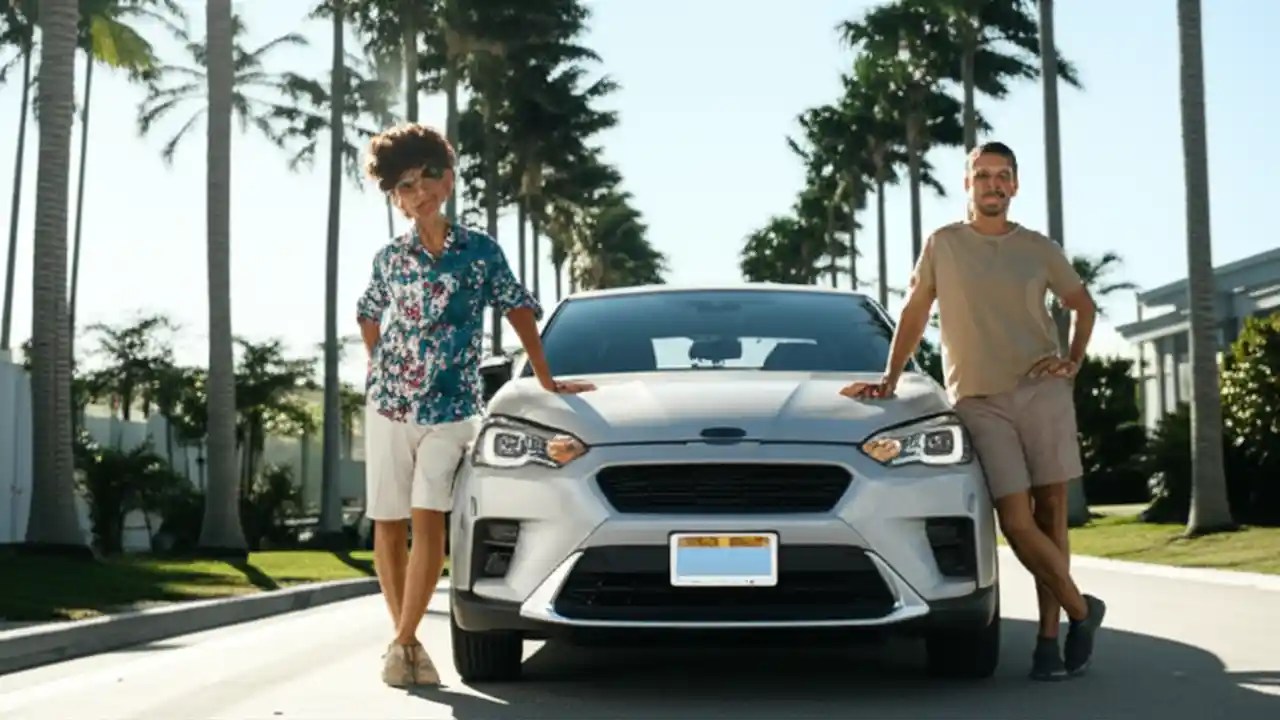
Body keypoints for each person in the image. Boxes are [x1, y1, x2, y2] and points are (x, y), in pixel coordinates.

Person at [840, 141, 1106, 681]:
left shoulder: (1039, 248)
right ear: (968, 185)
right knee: (1014, 520)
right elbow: (915, 312)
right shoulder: (943, 244)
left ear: (1015, 185)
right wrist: (890, 378)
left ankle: (1048, 643)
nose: (992, 185)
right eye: (982, 175)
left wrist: (1071, 362)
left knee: (1051, 513)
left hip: (1041, 391)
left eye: (1002, 176)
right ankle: (1083, 610)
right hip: (979, 401)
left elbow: (1082, 306)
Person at [355, 123, 595, 687]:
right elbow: (367, 311)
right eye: (406, 187)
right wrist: (377, 361)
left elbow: (518, 309)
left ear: (449, 174)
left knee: (429, 513)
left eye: (428, 177)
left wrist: (546, 376)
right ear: (395, 197)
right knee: (387, 523)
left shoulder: (481, 252)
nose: (421, 193)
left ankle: (403, 642)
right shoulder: (391, 259)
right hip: (389, 403)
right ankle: (406, 642)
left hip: (453, 407)